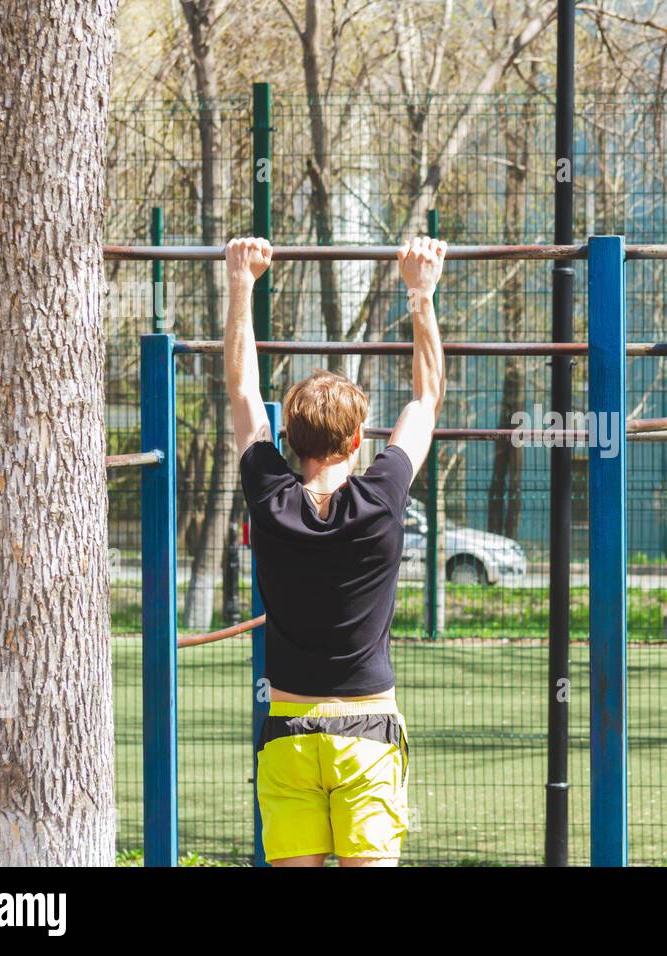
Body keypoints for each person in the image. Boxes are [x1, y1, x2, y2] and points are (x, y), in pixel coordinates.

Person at [223, 234, 446, 867]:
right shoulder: (380, 498)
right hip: (367, 735)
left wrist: (242, 283)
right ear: (355, 442)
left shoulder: (270, 499)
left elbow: (243, 392)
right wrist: (420, 292)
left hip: (288, 733)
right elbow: (426, 399)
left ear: (288, 440)